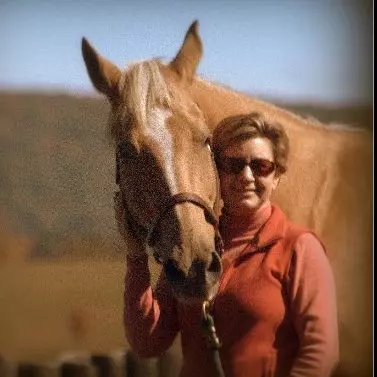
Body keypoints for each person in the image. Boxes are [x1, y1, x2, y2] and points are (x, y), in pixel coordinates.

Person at [118, 112, 339, 377]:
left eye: (261, 166)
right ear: (215, 173)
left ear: (277, 176)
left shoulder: (300, 248)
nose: (246, 176)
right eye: (233, 165)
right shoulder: (194, 249)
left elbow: (321, 350)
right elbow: (147, 341)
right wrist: (136, 257)